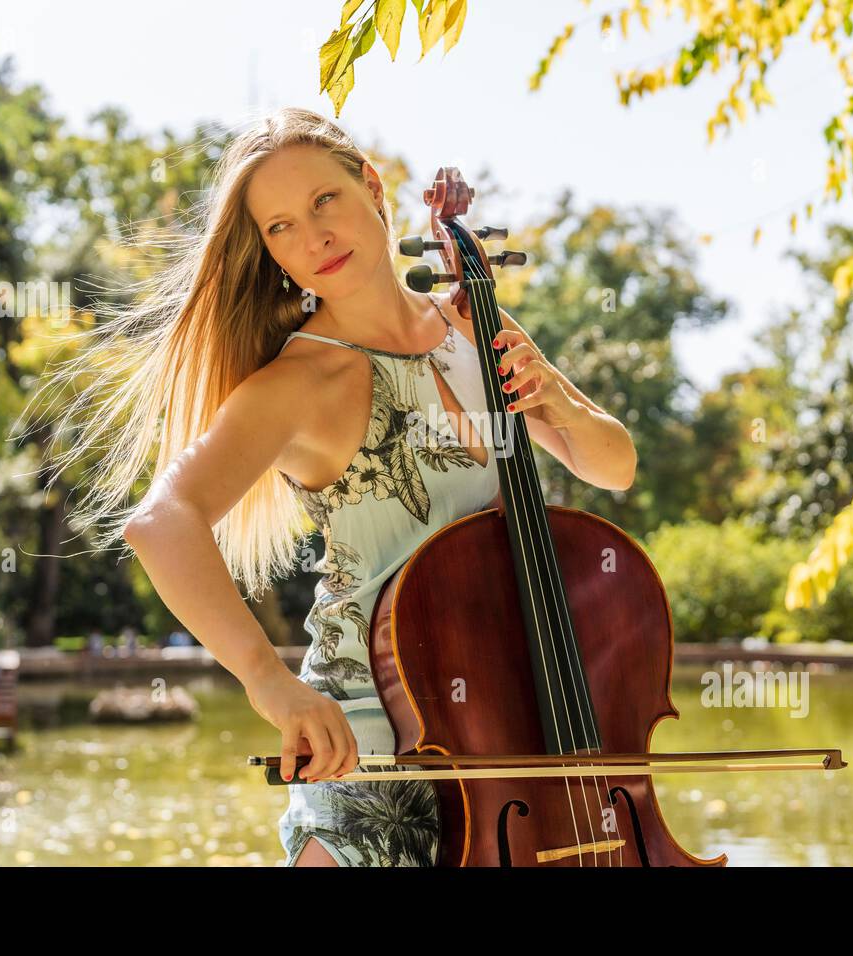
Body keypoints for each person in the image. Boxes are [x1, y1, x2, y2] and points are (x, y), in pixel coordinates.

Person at [35, 107, 637, 866]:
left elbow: (613, 465)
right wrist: (267, 680)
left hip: (511, 725)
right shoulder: (299, 381)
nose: (313, 237)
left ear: (372, 187)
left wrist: (555, 396)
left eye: (324, 201)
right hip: (370, 750)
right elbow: (163, 521)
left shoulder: (472, 327)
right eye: (280, 226)